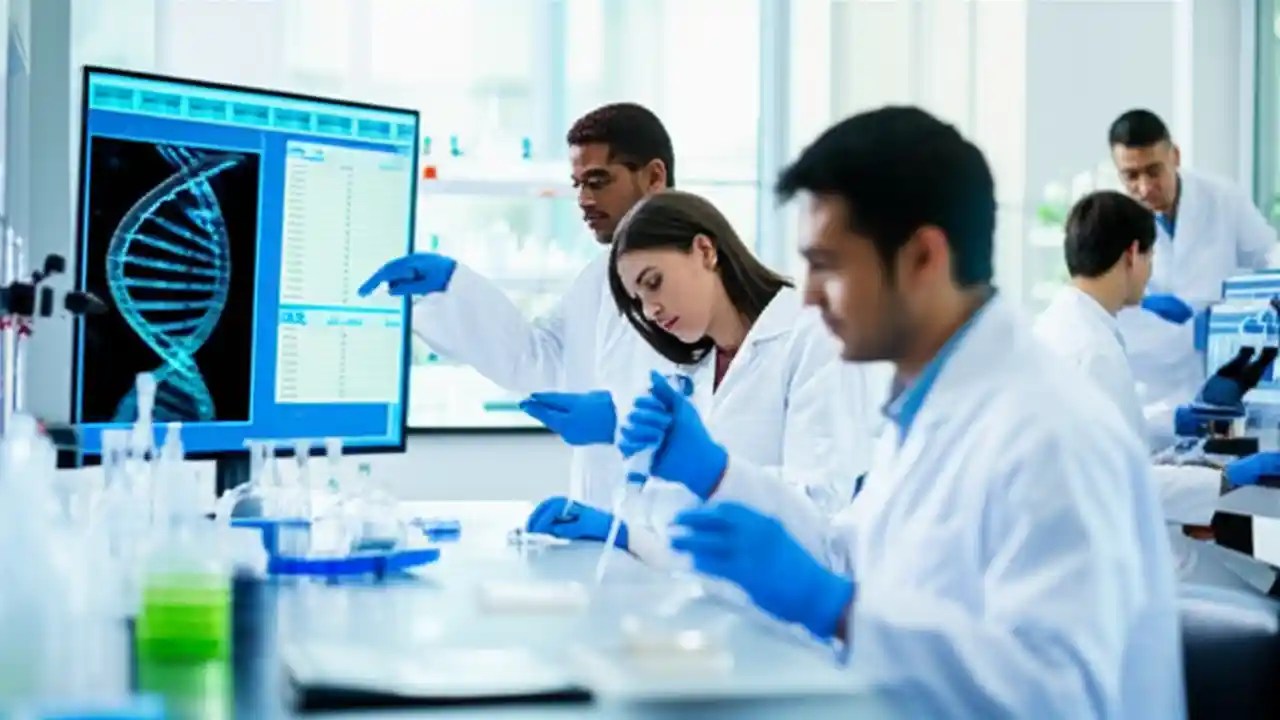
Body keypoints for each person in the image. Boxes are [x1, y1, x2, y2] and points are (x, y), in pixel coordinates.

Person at [618, 107, 1183, 717]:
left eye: (828, 265)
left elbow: (1063, 696)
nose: (809, 295)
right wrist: (716, 473)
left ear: (922, 258)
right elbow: (848, 555)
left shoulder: (1049, 432)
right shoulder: (927, 406)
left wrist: (838, 609)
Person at [523, 191, 888, 560]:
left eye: (654, 283)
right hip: (706, 582)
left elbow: (820, 508)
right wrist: (623, 532)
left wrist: (710, 470)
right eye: (638, 300)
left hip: (788, 588)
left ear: (704, 251)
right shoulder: (696, 367)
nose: (649, 311)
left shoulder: (814, 338)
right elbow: (682, 515)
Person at [358, 103, 674, 509]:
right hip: (607, 514)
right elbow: (538, 356)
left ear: (654, 177)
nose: (583, 199)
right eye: (577, 184)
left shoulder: (703, 272)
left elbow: (724, 414)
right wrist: (452, 285)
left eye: (598, 181)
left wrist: (622, 419)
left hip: (672, 522)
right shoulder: (598, 277)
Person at [1033, 190, 1280, 593]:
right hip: (1112, 562)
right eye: (1150, 258)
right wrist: (1225, 478)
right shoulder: (1091, 350)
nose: (1149, 274)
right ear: (1133, 254)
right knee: (1262, 594)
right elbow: (1120, 484)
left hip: (1094, 542)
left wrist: (1177, 421)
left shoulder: (1063, 326)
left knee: (1250, 566)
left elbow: (1103, 438)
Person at [1108, 109, 1278, 447]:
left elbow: (1268, 257)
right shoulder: (1114, 221)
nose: (1145, 187)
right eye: (1131, 176)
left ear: (1175, 156)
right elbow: (1115, 315)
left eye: (1154, 171)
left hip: (1224, 372)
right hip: (1155, 393)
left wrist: (1229, 319)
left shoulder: (1222, 199)